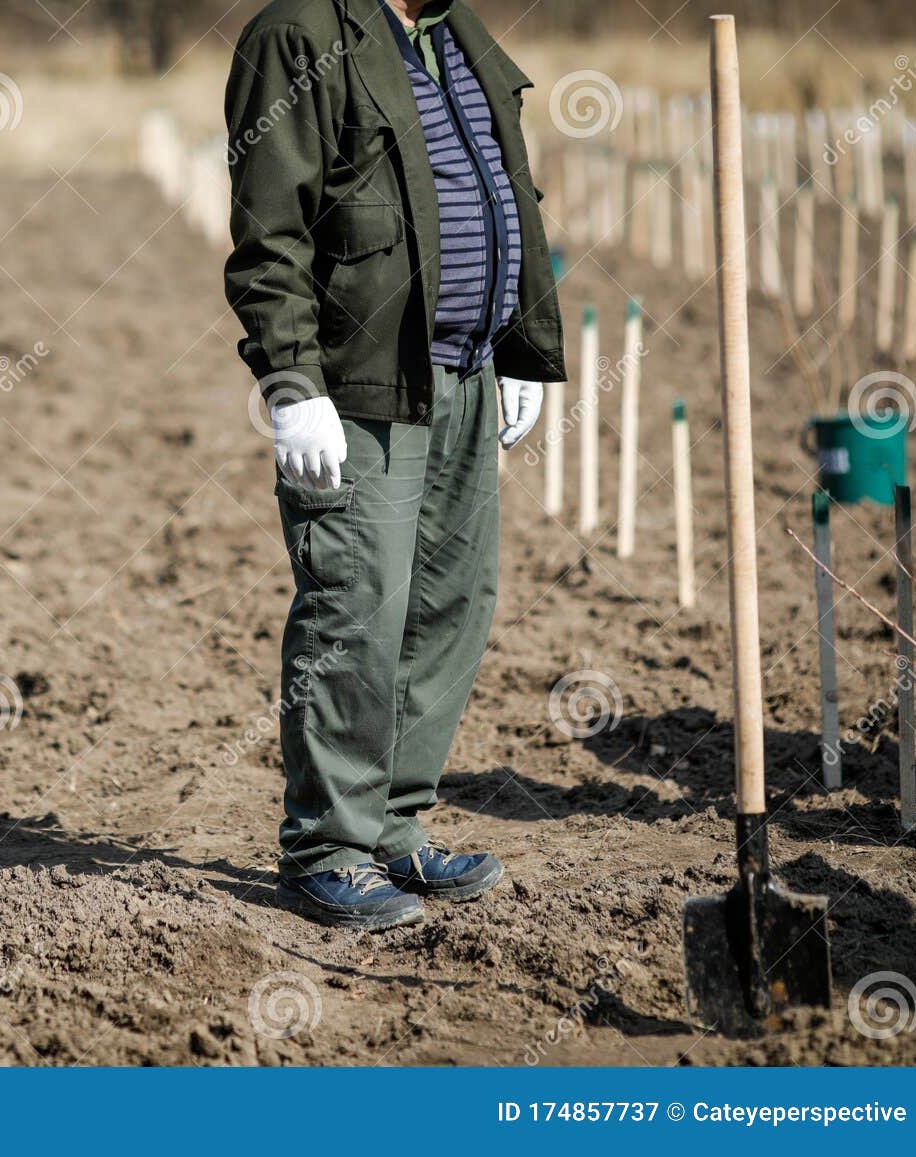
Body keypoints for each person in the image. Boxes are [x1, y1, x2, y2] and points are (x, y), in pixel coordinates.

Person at [224, 0, 566, 928]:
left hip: (465, 372)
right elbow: (270, 235)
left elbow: (506, 190)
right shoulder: (298, 36)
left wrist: (521, 345)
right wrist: (293, 384)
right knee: (357, 607)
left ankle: (393, 827)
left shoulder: (455, 33)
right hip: (361, 384)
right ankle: (327, 847)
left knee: (449, 604)